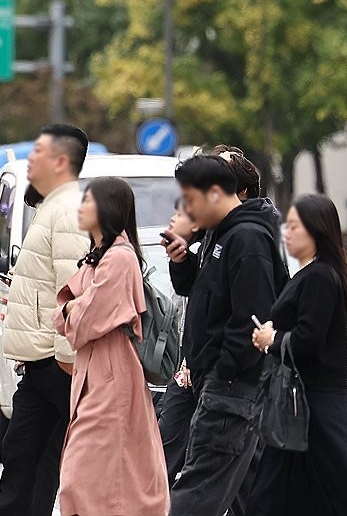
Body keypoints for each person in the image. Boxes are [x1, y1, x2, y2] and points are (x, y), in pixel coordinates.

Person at [164, 155, 285, 516]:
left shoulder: (247, 237)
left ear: (215, 193)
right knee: (235, 490)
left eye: (191, 200)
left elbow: (251, 317)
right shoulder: (222, 232)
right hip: (221, 384)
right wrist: (182, 260)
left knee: (197, 490)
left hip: (230, 387)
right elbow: (206, 295)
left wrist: (223, 372)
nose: (187, 210)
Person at [248, 194, 347, 515]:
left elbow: (309, 338)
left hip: (317, 405)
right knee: (274, 495)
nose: (287, 233)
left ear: (316, 231)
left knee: (346, 494)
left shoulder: (320, 276)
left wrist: (271, 338)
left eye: (295, 226)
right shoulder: (312, 273)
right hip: (300, 404)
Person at [53, 177, 170, 516]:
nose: (81, 207)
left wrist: (72, 309)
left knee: (89, 473)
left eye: (88, 201)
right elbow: (63, 312)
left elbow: (86, 318)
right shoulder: (97, 257)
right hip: (94, 371)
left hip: (112, 372)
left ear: (108, 208)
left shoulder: (119, 258)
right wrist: (72, 309)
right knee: (94, 473)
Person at [0, 124, 91, 516]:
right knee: (24, 455)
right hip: (43, 360)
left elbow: (75, 289)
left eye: (38, 153)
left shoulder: (67, 211)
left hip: (57, 362)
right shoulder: (53, 206)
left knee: (40, 457)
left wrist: (66, 358)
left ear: (61, 162)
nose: (30, 160)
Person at [158, 199, 202, 484]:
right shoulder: (188, 255)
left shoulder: (214, 249)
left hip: (205, 369)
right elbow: (178, 312)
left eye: (181, 214)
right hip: (187, 368)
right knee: (166, 446)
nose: (173, 219)